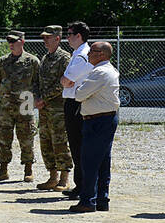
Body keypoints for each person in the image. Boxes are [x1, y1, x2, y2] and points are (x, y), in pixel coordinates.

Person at [68, 42, 119, 212]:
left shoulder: (100, 72)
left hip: (97, 121)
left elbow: (79, 94)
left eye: (92, 51)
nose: (89, 54)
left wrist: (80, 89)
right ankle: (101, 200)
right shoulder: (108, 70)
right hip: (105, 119)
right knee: (103, 162)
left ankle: (87, 201)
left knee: (89, 161)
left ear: (102, 54)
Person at [0, 30, 41, 182]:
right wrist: (5, 94)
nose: (11, 44)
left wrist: (35, 98)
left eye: (14, 41)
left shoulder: (32, 61)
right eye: (9, 42)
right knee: (3, 137)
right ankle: (3, 169)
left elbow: (38, 82)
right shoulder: (2, 61)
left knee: (26, 136)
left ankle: (28, 169)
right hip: (6, 105)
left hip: (25, 105)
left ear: (22, 42)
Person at [34, 25, 72, 191]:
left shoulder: (64, 58)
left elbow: (63, 83)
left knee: (60, 142)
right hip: (44, 109)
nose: (45, 40)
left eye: (48, 37)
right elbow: (38, 81)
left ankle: (64, 178)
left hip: (58, 109)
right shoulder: (45, 58)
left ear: (57, 38)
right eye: (43, 37)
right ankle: (52, 176)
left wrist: (44, 98)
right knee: (46, 142)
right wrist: (37, 98)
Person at [59, 22, 93, 198]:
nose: (67, 37)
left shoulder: (82, 56)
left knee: (78, 145)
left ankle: (82, 187)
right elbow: (66, 80)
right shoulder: (77, 54)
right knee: (76, 145)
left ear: (79, 36)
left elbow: (65, 80)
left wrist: (66, 80)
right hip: (73, 102)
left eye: (70, 34)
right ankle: (80, 185)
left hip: (76, 103)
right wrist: (66, 80)